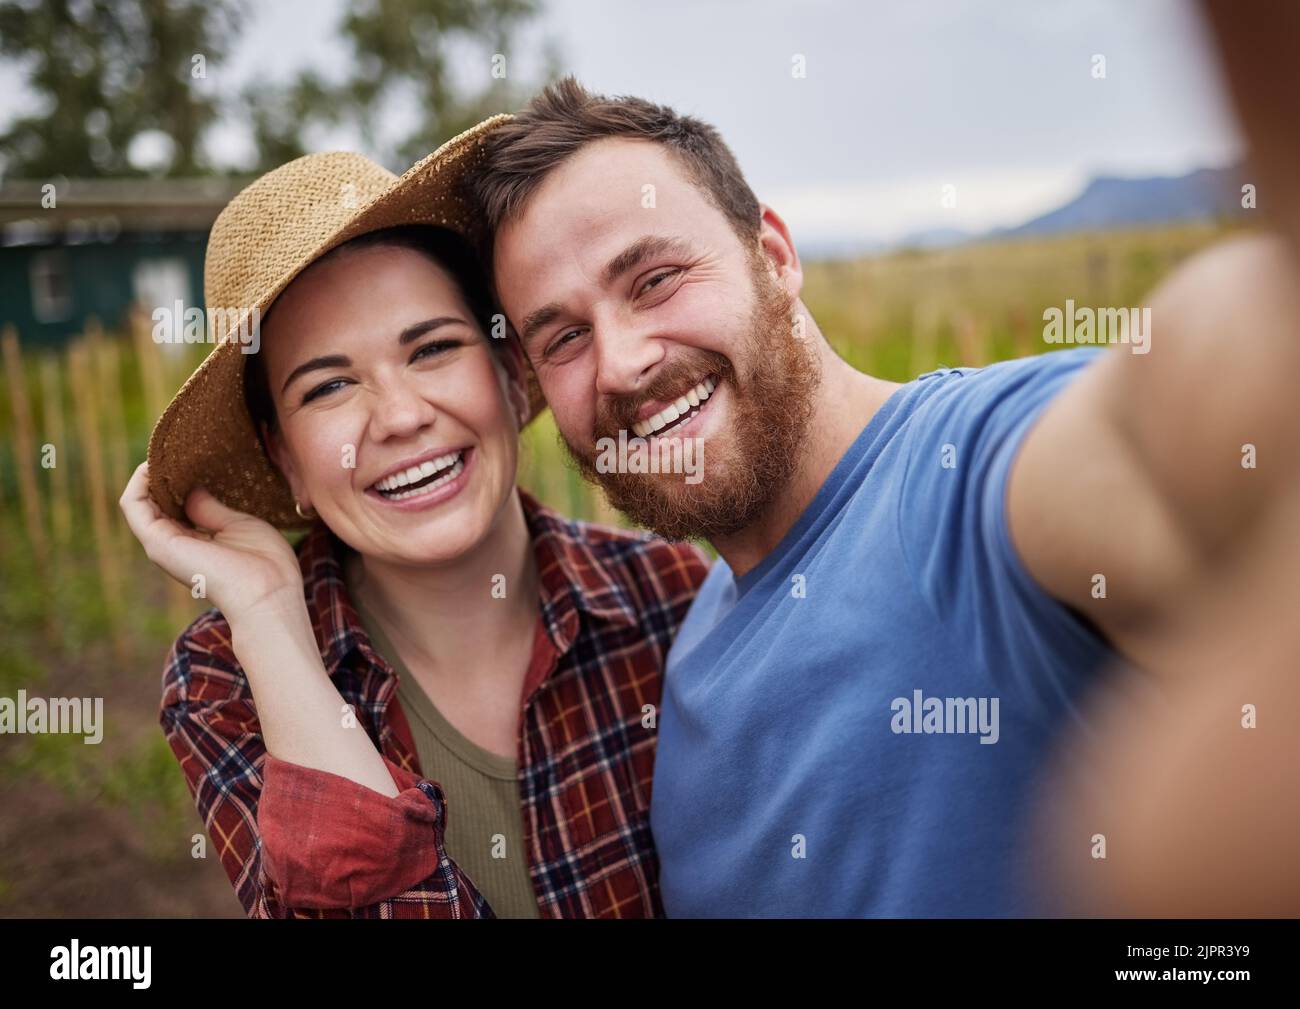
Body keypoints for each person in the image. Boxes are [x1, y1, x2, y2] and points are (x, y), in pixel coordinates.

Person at [461, 76, 1300, 916]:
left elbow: (1174, 401)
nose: (620, 362)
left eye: (654, 280)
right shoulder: (686, 651)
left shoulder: (972, 476)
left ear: (775, 258)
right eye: (564, 335)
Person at [119, 126, 709, 918]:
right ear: (284, 456)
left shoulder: (674, 599)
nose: (399, 417)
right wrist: (267, 615)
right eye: (328, 388)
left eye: (432, 348)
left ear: (507, 370)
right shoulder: (227, 679)